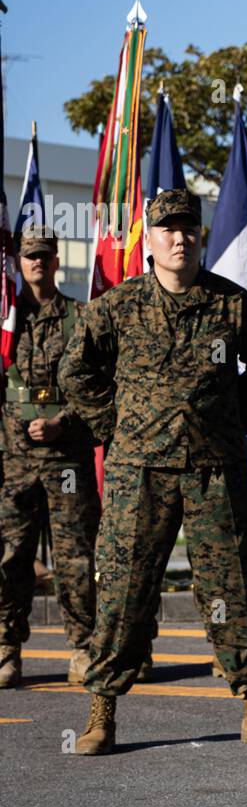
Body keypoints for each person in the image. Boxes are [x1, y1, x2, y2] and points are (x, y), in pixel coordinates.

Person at [58, 188, 247, 754]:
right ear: (150, 241)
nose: (179, 237)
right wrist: (113, 422)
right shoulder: (116, 307)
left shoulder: (236, 306)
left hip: (217, 469)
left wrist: (232, 416)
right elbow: (75, 372)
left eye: (188, 228)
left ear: (200, 236)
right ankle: (102, 710)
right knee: (122, 590)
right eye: (167, 229)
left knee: (233, 585)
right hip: (139, 472)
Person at [0, 227, 99, 690]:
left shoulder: (81, 319)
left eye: (44, 255)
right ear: (18, 262)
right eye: (29, 256)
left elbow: (101, 389)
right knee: (11, 558)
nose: (37, 262)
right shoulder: (6, 320)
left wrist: (66, 422)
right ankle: (6, 649)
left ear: (57, 260)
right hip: (15, 462)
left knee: (75, 557)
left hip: (67, 461)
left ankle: (82, 648)